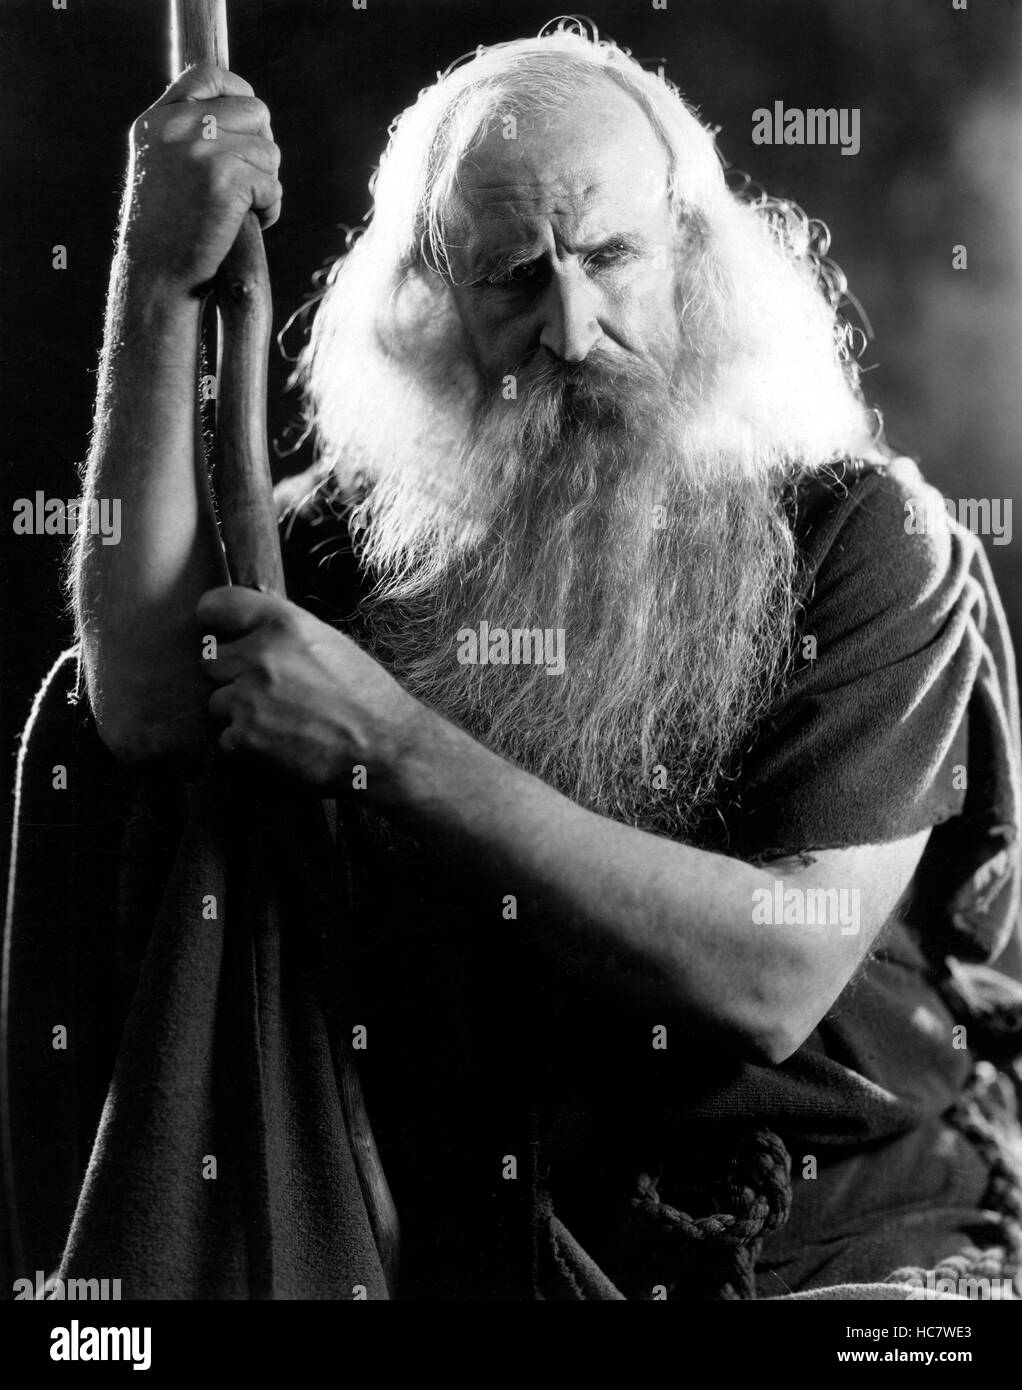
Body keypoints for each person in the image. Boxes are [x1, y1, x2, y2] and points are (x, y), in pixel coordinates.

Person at [60, 25, 1022, 1299]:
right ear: (435, 306)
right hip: (492, 1261)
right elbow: (137, 703)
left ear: (690, 252)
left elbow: (771, 971)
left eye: (608, 255)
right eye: (512, 275)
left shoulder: (863, 537)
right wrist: (152, 274)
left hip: (851, 1260)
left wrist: (385, 745)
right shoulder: (351, 549)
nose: (569, 325)